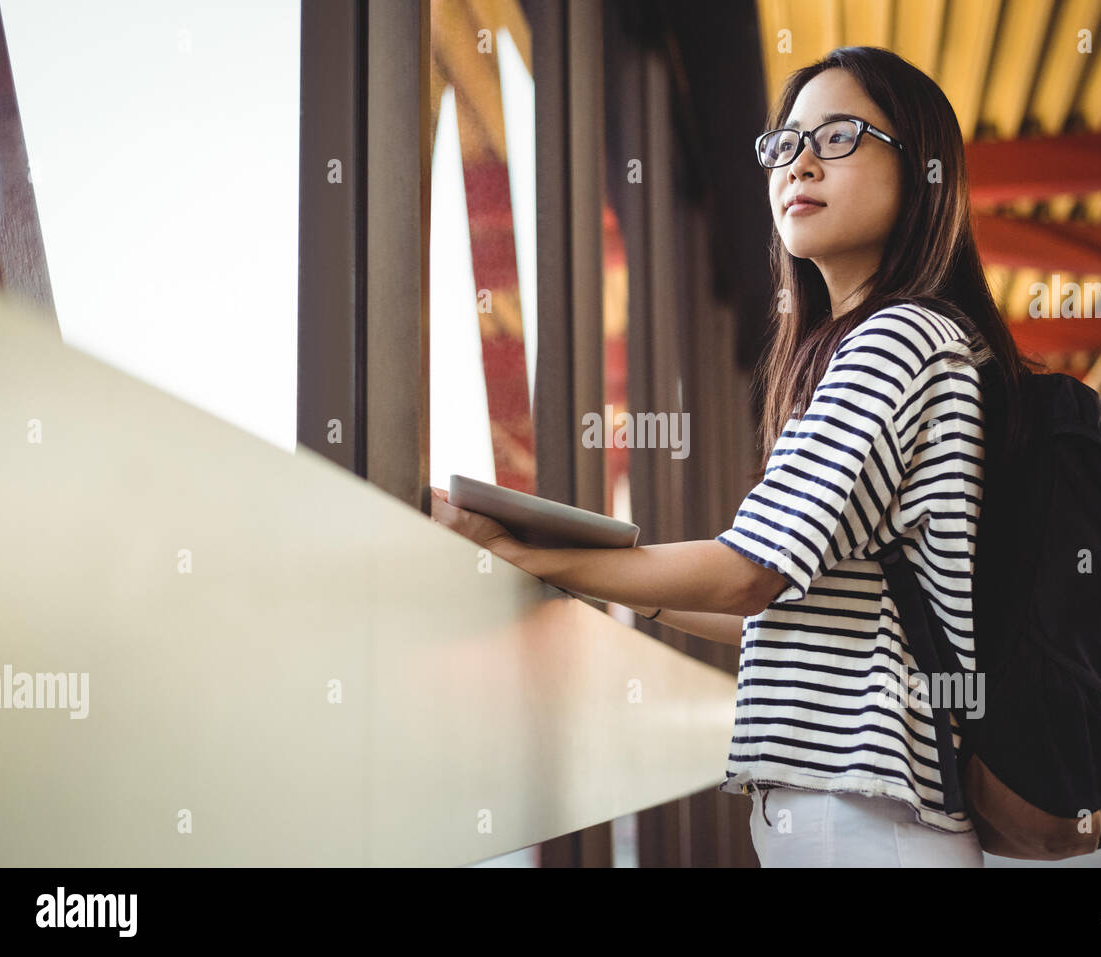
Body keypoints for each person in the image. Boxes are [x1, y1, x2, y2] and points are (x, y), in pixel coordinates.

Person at [431, 45, 1040, 867]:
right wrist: (600, 571)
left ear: (925, 170)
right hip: (869, 821)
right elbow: (768, 606)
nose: (800, 163)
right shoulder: (919, 344)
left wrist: (532, 552)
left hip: (860, 820)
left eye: (839, 136)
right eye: (784, 145)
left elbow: (747, 570)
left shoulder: (897, 339)